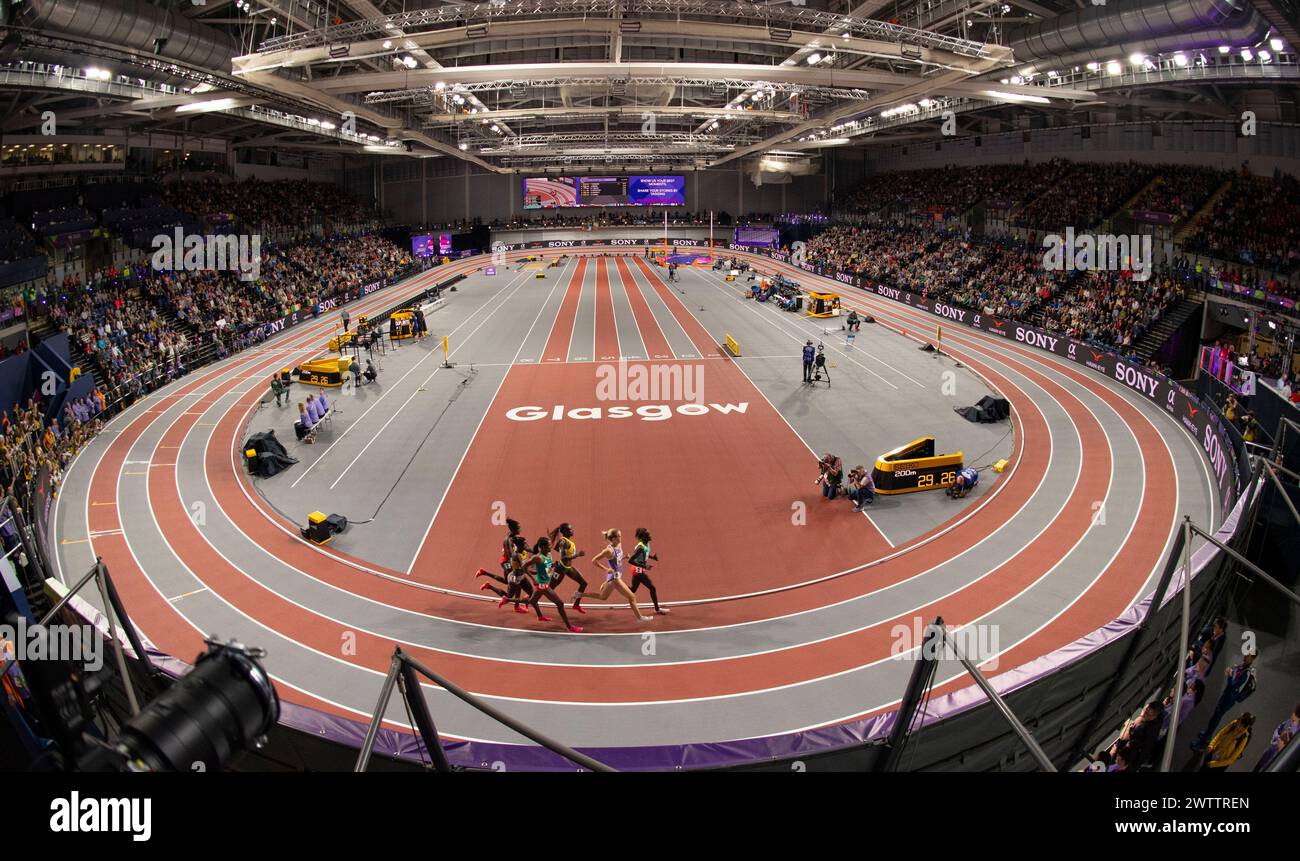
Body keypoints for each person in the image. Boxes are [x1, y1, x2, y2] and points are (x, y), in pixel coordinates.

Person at [579, 529, 652, 622]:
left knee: (602, 597)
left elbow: (617, 559)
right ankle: (640, 618)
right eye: (619, 536)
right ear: (613, 539)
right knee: (632, 597)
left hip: (614, 577)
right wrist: (606, 569)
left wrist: (624, 557)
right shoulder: (608, 551)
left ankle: (580, 594)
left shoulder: (619, 545)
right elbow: (594, 560)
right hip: (615, 578)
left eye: (620, 535)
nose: (620, 538)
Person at [1192, 649, 1257, 751]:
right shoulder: (1242, 666)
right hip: (1226, 696)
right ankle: (1207, 735)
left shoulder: (1246, 673)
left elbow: (1233, 685)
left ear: (1252, 658)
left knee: (1215, 719)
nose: (1245, 656)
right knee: (1214, 717)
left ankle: (1203, 743)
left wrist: (1230, 676)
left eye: (1248, 655)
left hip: (1229, 699)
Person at [524, 536, 582, 633]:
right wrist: (533, 578)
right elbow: (524, 566)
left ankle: (509, 599)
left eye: (551, 545)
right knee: (560, 603)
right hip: (542, 585)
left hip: (545, 582)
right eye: (549, 546)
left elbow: (547, 567)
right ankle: (570, 627)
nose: (551, 547)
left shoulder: (549, 554)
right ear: (541, 547)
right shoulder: (537, 558)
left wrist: (553, 565)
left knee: (532, 601)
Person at [477, 536, 533, 612]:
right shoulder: (515, 553)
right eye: (524, 544)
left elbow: (529, 553)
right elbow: (523, 566)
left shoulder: (522, 550)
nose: (526, 546)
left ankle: (484, 574)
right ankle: (489, 586)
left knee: (523, 589)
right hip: (508, 566)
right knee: (510, 593)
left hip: (517, 572)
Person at [547, 523, 589, 614]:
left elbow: (559, 550)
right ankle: (530, 598)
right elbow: (563, 558)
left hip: (568, 568)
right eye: (570, 529)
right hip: (561, 569)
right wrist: (577, 555)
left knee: (583, 583)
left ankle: (576, 605)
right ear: (565, 531)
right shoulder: (564, 542)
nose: (572, 531)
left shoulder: (565, 541)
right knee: (549, 589)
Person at [628, 527, 668, 615]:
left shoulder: (646, 544)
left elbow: (644, 553)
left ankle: (617, 586)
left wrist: (652, 557)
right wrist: (644, 566)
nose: (650, 535)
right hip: (638, 571)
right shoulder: (640, 547)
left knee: (632, 590)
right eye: (648, 535)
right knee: (652, 588)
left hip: (639, 569)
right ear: (643, 537)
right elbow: (630, 560)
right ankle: (657, 609)